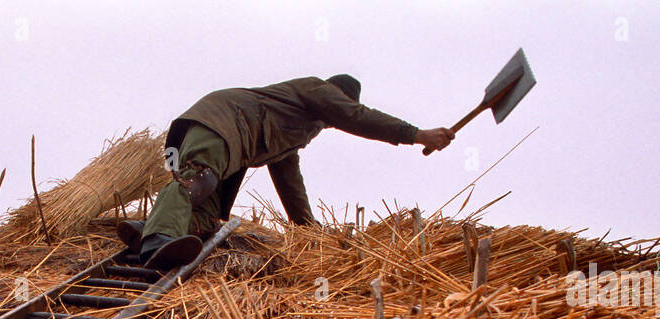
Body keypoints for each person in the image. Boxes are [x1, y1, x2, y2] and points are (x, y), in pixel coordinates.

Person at [120, 74, 455, 268]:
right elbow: (356, 116)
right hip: (220, 123)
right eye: (338, 111)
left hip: (225, 141)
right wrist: (416, 135)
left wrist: (311, 231)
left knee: (206, 218)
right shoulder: (316, 88)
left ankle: (148, 230)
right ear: (337, 98)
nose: (334, 121)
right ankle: (158, 241)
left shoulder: (293, 131)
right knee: (199, 181)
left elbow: (290, 185)